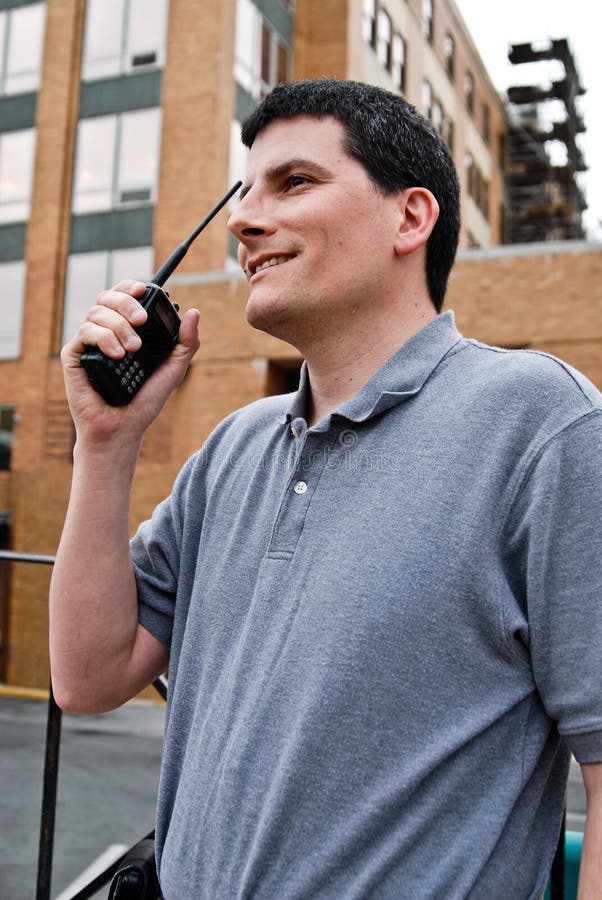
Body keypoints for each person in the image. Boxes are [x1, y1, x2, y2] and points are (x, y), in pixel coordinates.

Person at [50, 79, 602, 898]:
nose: (242, 220)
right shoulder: (233, 447)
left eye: (294, 183)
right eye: (245, 193)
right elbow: (87, 678)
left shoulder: (541, 423)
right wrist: (105, 444)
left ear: (410, 218)